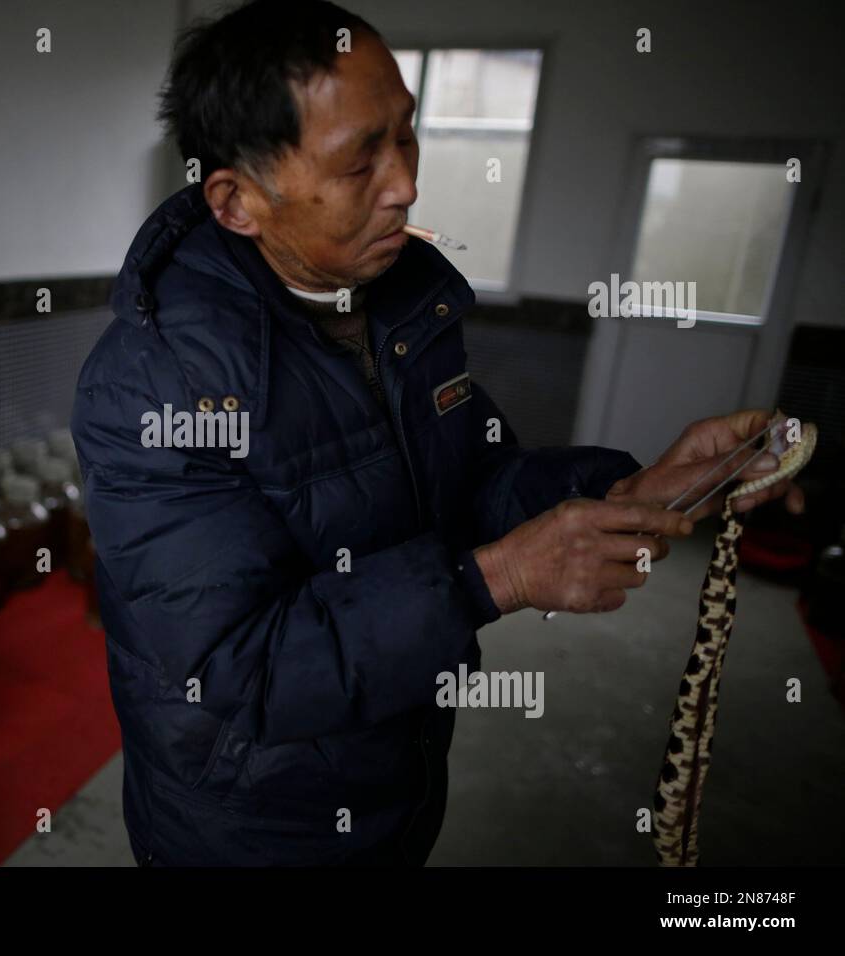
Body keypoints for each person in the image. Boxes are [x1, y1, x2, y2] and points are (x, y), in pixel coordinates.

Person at [69, 0, 803, 866]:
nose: (407, 185)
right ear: (236, 200)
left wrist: (630, 491)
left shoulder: (404, 304)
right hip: (252, 824)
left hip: (397, 774)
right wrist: (499, 576)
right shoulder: (153, 386)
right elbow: (241, 665)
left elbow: (475, 479)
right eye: (359, 163)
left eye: (406, 136)